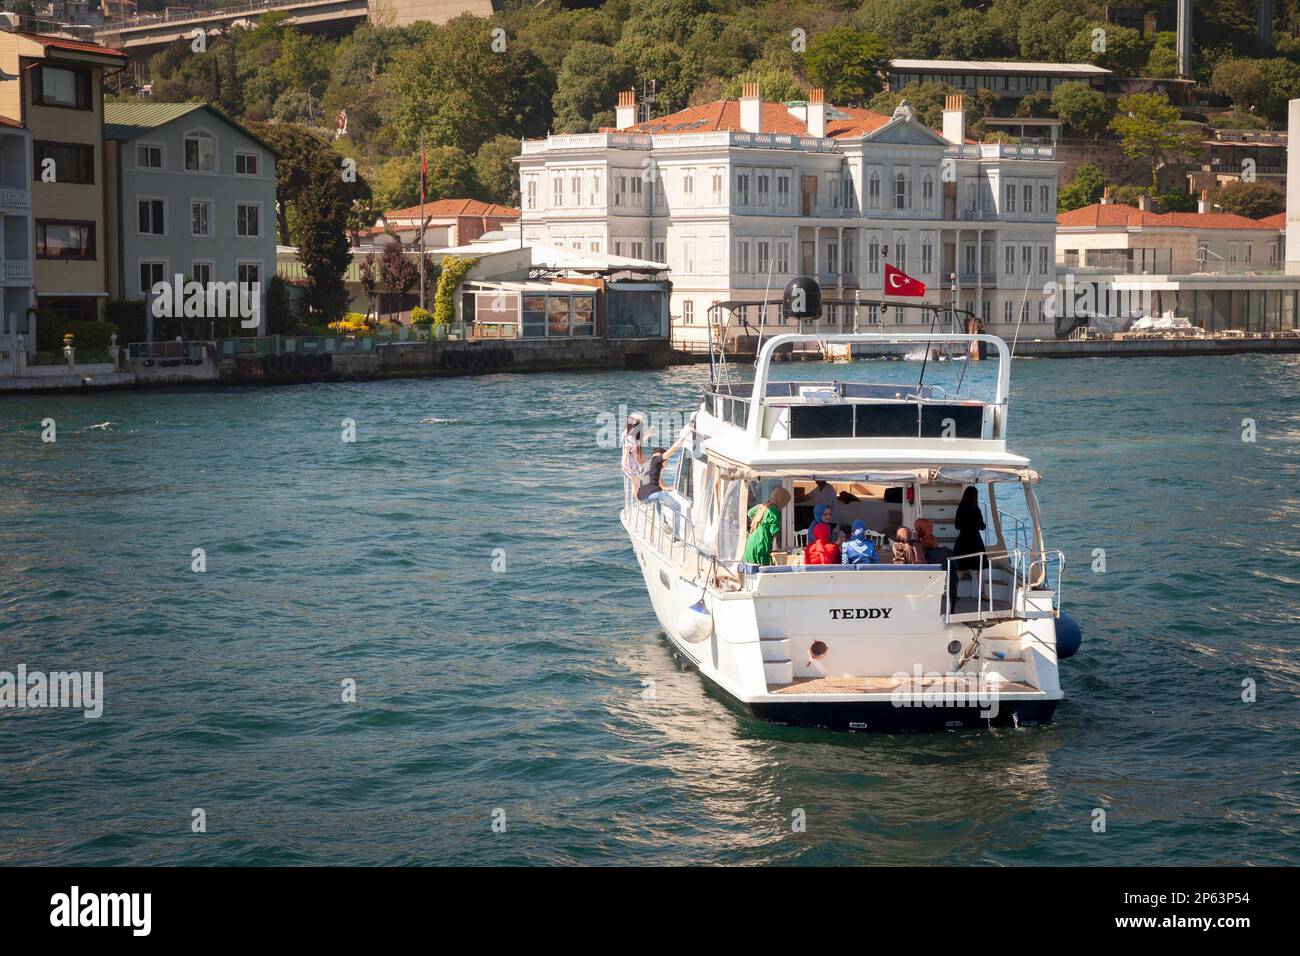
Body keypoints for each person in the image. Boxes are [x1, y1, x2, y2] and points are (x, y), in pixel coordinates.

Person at [950, 486, 988, 610]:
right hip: (975, 541)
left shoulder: (960, 509)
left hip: (963, 540)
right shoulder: (976, 510)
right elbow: (982, 527)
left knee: (960, 568)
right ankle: (982, 593)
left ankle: (953, 592)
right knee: (979, 568)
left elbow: (957, 526)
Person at [743, 487, 791, 566]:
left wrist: (760, 520)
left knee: (751, 572)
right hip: (761, 543)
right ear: (781, 499)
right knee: (762, 569)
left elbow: (750, 513)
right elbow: (774, 531)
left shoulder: (764, 506)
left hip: (751, 542)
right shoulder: (774, 510)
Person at [621, 415, 646, 484]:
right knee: (639, 484)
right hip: (630, 465)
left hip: (633, 463)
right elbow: (627, 449)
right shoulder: (630, 437)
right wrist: (624, 463)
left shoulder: (628, 433)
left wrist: (648, 434)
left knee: (637, 484)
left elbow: (636, 444)